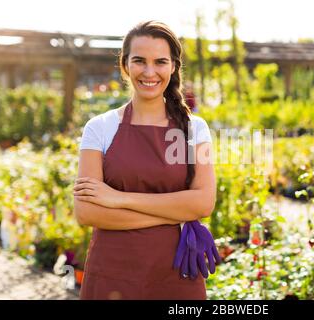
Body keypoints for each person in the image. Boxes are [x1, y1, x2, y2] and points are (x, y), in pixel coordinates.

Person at [73, 21, 217, 300]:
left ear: (173, 66)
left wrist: (119, 198)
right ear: (125, 65)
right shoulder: (99, 128)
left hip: (176, 272)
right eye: (139, 61)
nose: (149, 72)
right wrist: (174, 210)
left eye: (160, 62)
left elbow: (203, 203)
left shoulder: (195, 129)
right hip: (112, 272)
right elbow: (88, 213)